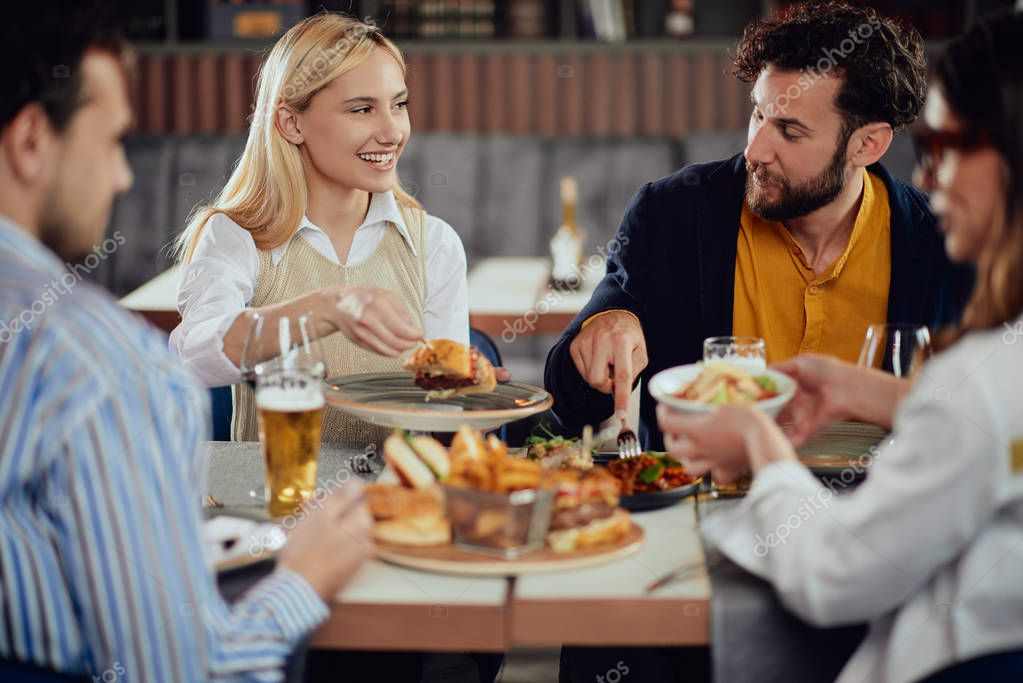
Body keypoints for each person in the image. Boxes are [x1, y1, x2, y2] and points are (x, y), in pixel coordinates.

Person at [0, 3, 373, 681]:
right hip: (271, 499)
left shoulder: (428, 240)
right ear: (30, 141)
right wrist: (303, 580)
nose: (122, 176)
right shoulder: (100, 364)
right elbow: (185, 671)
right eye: (112, 142)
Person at [659, 12, 1023, 682]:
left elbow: (834, 578)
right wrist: (883, 392)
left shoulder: (977, 379)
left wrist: (760, 447)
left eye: (949, 146)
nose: (931, 175)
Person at [544, 1, 974, 450]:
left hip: (879, 508)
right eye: (758, 114)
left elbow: (975, 424)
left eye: (790, 131)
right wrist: (602, 333)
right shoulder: (670, 214)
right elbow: (569, 405)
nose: (756, 151)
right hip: (705, 508)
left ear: (868, 144)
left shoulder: (941, 243)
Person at [170, 13, 470, 445]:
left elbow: (446, 412)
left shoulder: (434, 244)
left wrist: (467, 393)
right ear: (292, 123)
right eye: (363, 109)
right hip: (282, 506)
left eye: (399, 105)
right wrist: (327, 307)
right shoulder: (237, 237)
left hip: (399, 504)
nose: (392, 132)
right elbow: (192, 357)